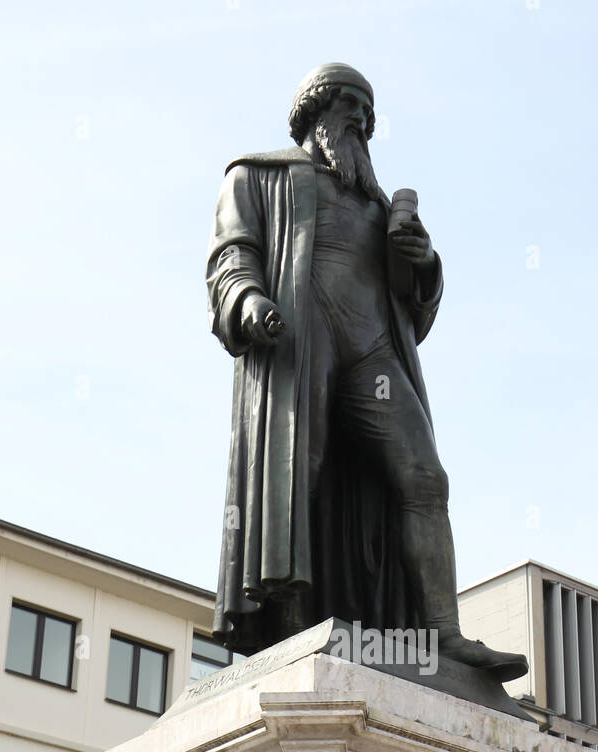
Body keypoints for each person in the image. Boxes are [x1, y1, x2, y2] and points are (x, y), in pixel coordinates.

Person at [207, 62, 527, 682]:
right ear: (313, 111)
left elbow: (413, 304)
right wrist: (247, 299)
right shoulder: (257, 175)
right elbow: (231, 252)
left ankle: (443, 633)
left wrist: (422, 262)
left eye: (367, 111)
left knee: (424, 476)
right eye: (346, 103)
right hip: (301, 338)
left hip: (373, 352)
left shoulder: (380, 206)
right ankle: (294, 626)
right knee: (299, 473)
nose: (359, 118)